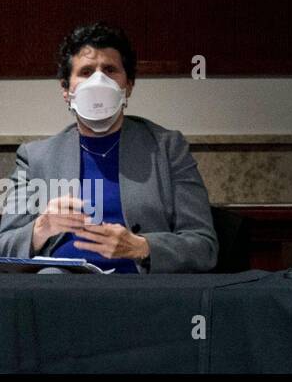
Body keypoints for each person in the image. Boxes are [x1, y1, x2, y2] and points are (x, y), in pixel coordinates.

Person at [0, 23, 218, 273]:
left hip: (143, 294)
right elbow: (4, 248)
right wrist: (42, 227)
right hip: (58, 290)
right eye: (86, 71)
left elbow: (204, 247)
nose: (98, 80)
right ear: (66, 90)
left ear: (129, 85)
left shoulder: (167, 149)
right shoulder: (35, 157)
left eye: (110, 70)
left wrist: (142, 246)